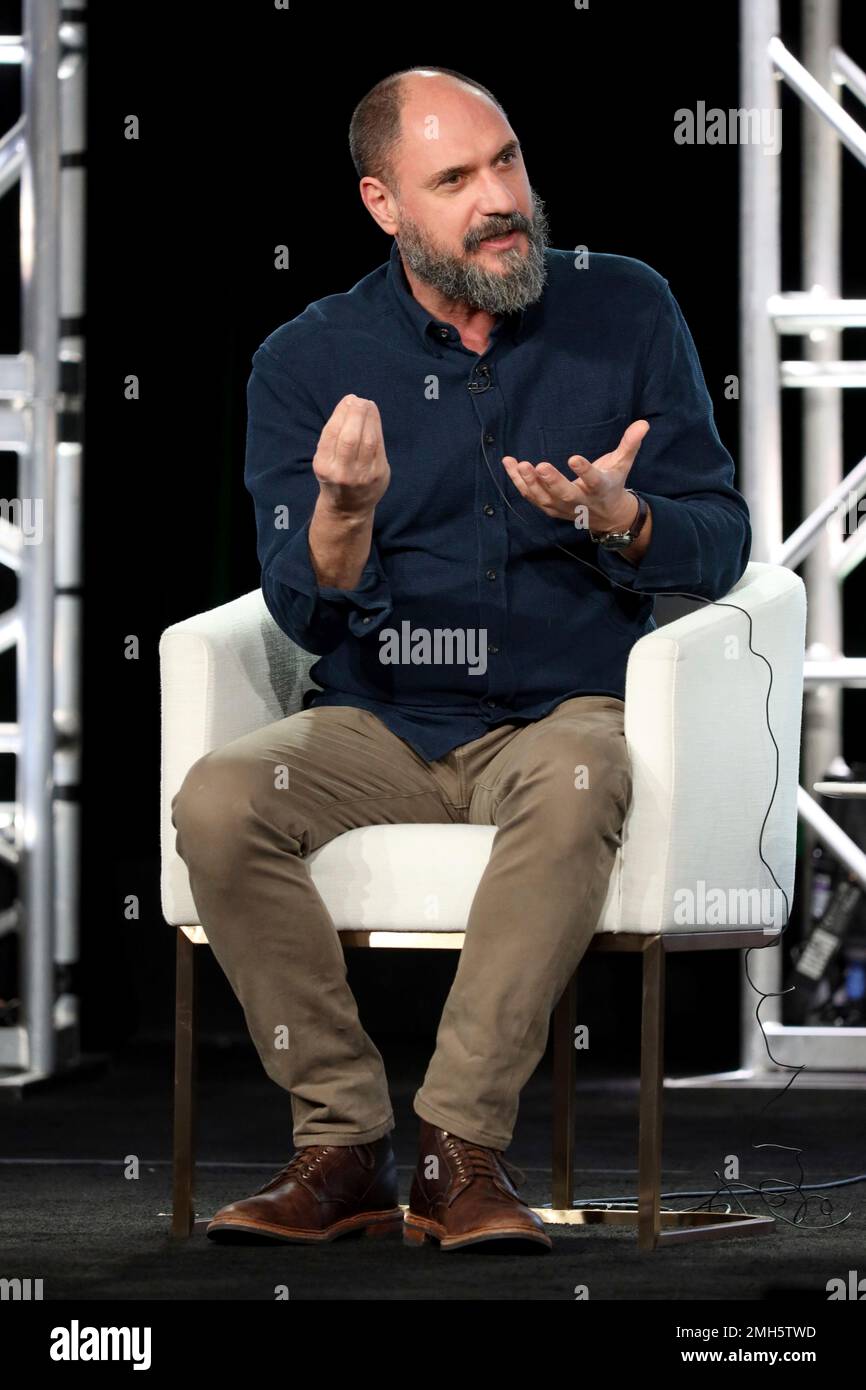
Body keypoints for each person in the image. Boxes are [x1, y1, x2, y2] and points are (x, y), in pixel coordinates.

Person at [171, 65, 751, 1253]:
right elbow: (302, 611)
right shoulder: (303, 357)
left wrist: (619, 519)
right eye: (455, 179)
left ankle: (455, 1153)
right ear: (384, 205)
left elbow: (721, 535)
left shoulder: (625, 307)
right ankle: (336, 1147)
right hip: (378, 717)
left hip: (560, 714)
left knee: (583, 777)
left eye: (506, 161)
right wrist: (341, 507)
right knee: (221, 797)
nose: (499, 198)